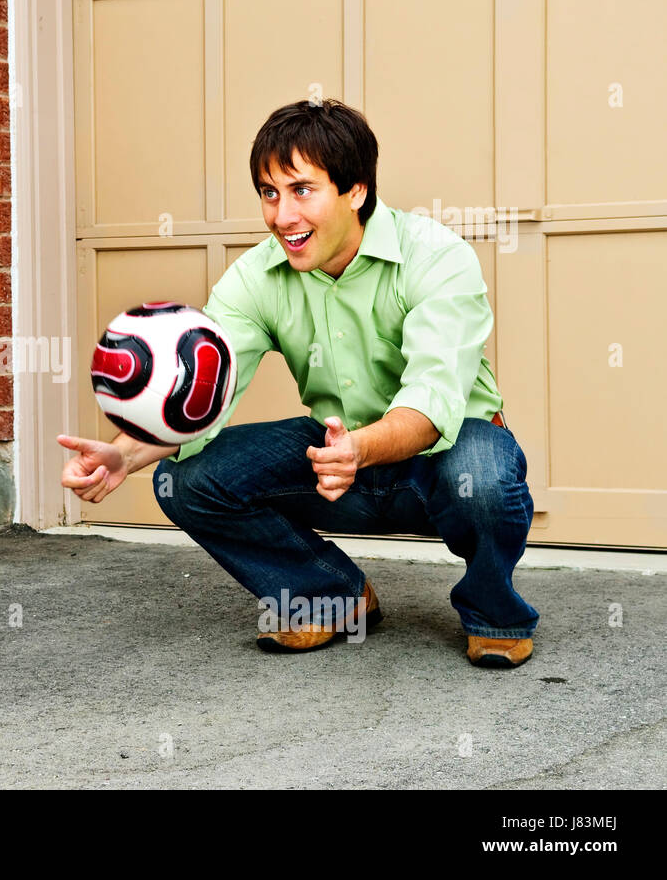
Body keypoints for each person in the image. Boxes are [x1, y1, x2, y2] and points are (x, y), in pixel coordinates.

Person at [59, 99, 537, 668]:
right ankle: (330, 597)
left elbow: (433, 401)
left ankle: (492, 609)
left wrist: (360, 449)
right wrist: (121, 455)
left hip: (443, 458)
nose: (281, 215)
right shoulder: (257, 277)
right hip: (336, 457)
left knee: (484, 477)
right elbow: (201, 393)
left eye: (302, 190)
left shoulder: (435, 258)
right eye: (268, 192)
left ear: (355, 190)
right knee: (183, 480)